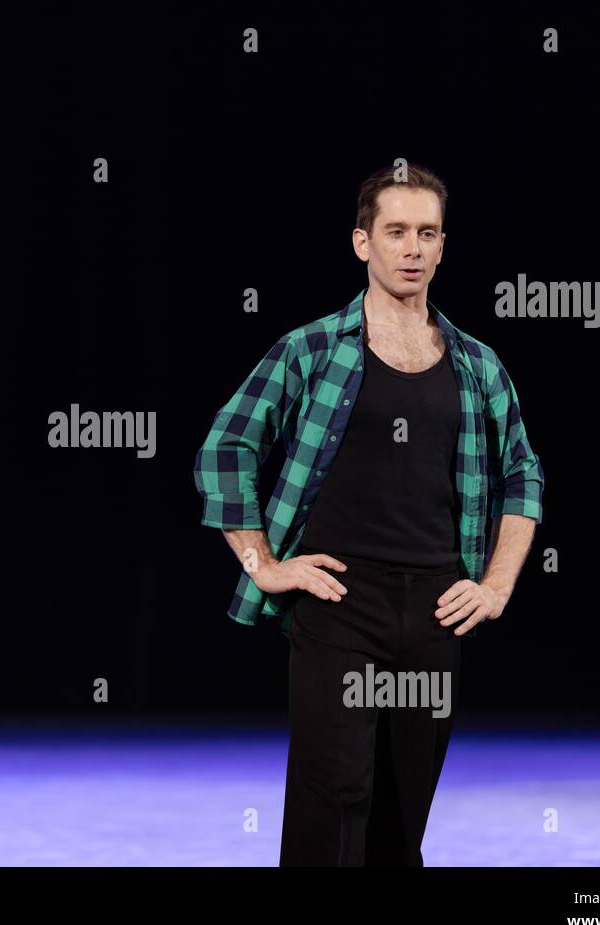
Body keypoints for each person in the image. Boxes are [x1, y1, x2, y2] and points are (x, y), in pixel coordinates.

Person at [193, 164, 545, 865]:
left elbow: (522, 473)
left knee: (401, 816)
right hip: (339, 601)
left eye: (427, 233)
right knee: (333, 800)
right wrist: (263, 565)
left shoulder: (477, 364)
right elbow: (225, 447)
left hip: (439, 607)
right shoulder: (312, 349)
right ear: (363, 243)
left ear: (443, 246)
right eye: (395, 232)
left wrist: (497, 585)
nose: (412, 248)